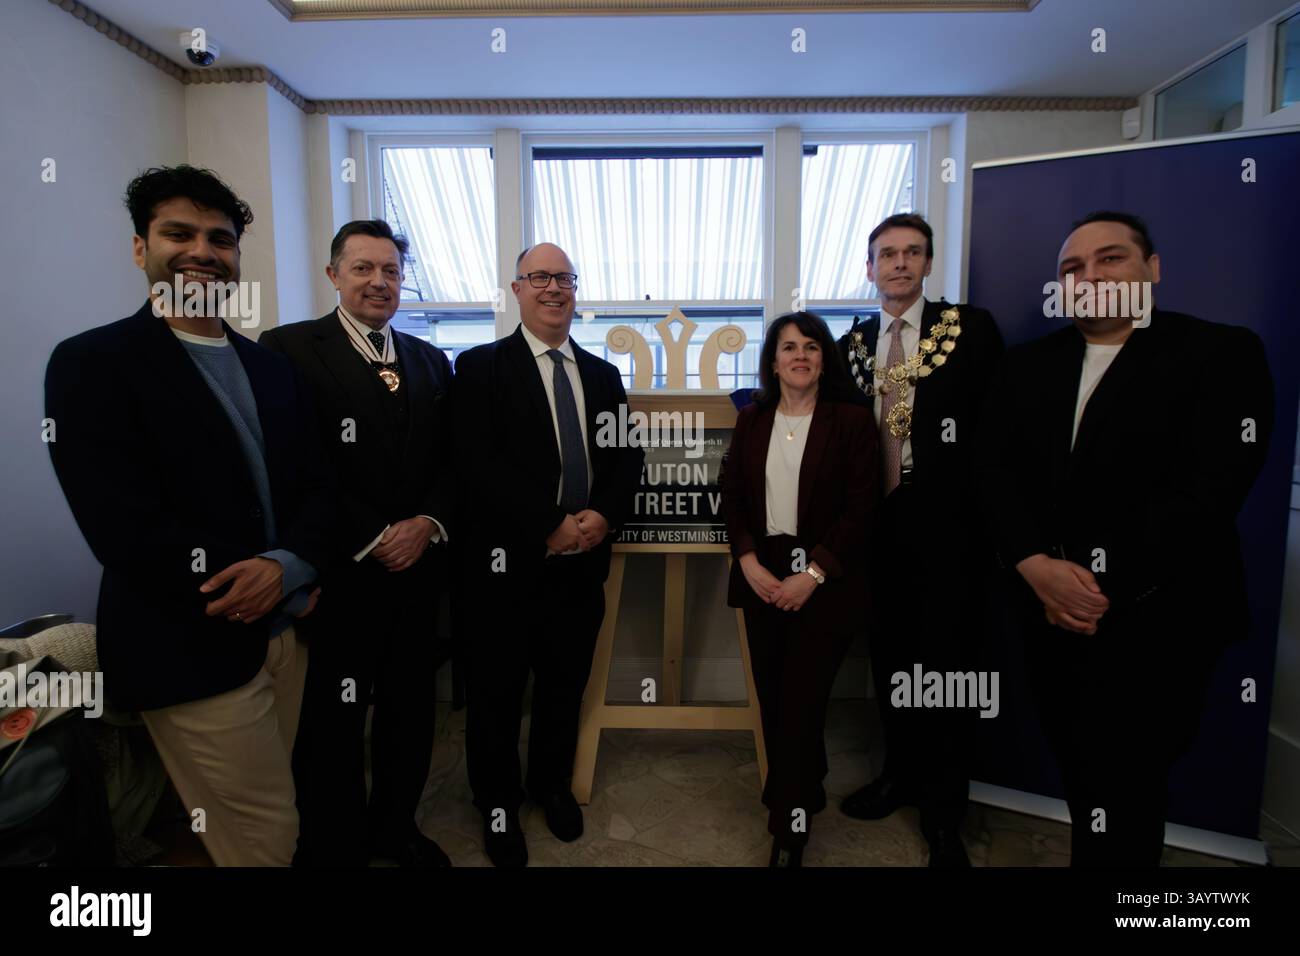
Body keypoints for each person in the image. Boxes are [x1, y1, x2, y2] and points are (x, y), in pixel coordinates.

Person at [44, 165, 335, 866]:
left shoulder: (270, 367)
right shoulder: (93, 363)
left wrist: (289, 566)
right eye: (179, 233)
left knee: (253, 823)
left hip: (285, 630)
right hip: (189, 638)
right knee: (267, 835)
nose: (202, 250)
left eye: (220, 238)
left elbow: (321, 487)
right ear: (141, 249)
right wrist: (252, 577)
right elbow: (119, 522)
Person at [978, 211, 1273, 866]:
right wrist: (1034, 566)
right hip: (1046, 613)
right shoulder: (1027, 366)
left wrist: (1093, 587)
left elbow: (1210, 491)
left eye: (1109, 259)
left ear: (1153, 268)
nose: (1089, 276)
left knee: (1132, 782)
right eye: (1072, 268)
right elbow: (995, 474)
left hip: (1161, 618)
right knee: (1084, 775)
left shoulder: (1221, 353)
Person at [258, 220, 454, 867]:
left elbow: (450, 463)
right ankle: (335, 841)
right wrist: (374, 535)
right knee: (333, 722)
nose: (379, 281)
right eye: (364, 268)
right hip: (339, 577)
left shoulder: (430, 360)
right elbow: (292, 465)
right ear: (333, 275)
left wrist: (426, 522)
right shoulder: (286, 350)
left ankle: (395, 827)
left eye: (391, 271)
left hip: (418, 575)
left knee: (409, 713)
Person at [452, 243, 644, 867]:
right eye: (540, 277)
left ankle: (552, 786)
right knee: (498, 690)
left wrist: (601, 518)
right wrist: (548, 524)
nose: (554, 288)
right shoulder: (479, 368)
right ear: (516, 289)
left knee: (565, 683)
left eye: (564, 278)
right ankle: (499, 805)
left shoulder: (604, 375)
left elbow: (627, 459)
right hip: (505, 564)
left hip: (582, 562)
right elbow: (477, 464)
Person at [835, 213, 1003, 866]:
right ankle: (899, 774)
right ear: (869, 267)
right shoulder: (854, 340)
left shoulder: (969, 329)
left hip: (948, 526)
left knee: (946, 670)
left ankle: (944, 812)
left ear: (928, 263)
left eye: (912, 252)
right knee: (891, 659)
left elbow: (998, 430)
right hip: (878, 526)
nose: (899, 263)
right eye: (887, 254)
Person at [723, 311, 877, 867]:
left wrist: (812, 575)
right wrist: (747, 561)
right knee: (776, 699)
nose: (800, 355)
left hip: (824, 581)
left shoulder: (853, 421)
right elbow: (732, 496)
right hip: (762, 574)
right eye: (788, 347)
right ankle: (804, 789)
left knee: (803, 704)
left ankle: (789, 825)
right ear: (773, 360)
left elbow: (863, 508)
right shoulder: (753, 420)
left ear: (822, 358)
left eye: (811, 346)